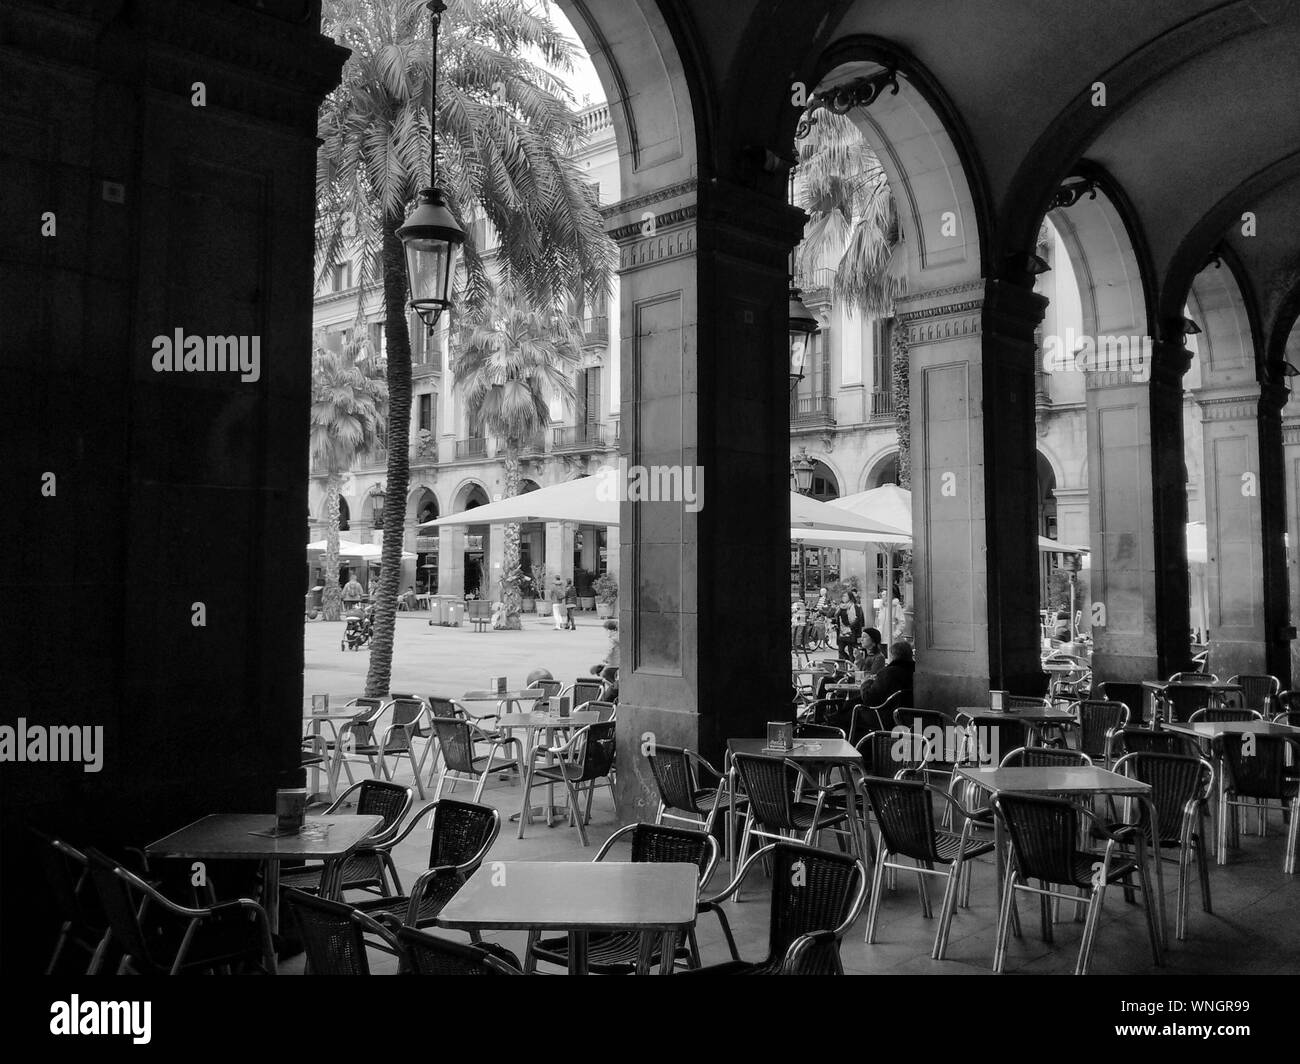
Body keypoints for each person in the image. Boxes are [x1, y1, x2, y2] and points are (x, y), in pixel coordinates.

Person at [860, 641, 915, 708]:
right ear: (911, 654)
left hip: (886, 715)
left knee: (854, 707)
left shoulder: (887, 673)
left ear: (892, 655)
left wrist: (866, 682)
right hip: (915, 714)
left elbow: (869, 699)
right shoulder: (919, 671)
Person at [834, 590, 863, 661]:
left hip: (851, 632)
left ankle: (851, 665)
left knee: (851, 651)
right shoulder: (840, 607)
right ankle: (847, 661)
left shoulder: (855, 606)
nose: (843, 597)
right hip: (842, 632)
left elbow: (858, 620)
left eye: (845, 596)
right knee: (841, 650)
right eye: (843, 596)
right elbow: (835, 617)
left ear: (850, 597)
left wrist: (851, 627)